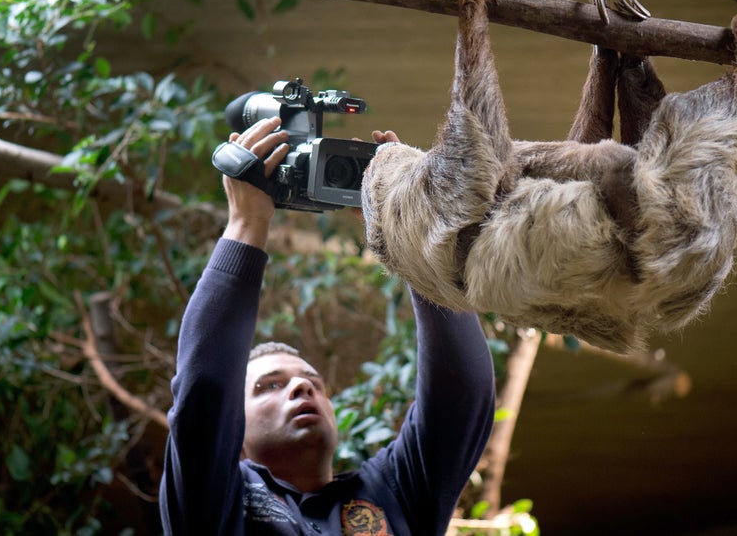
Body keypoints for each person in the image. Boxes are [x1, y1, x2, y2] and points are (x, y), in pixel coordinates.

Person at [159, 116, 497, 535]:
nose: (302, 389)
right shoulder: (216, 500)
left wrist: (403, 228)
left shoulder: (394, 492)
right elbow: (203, 392)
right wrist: (247, 222)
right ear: (236, 436)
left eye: (313, 383)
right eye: (268, 386)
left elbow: (461, 395)